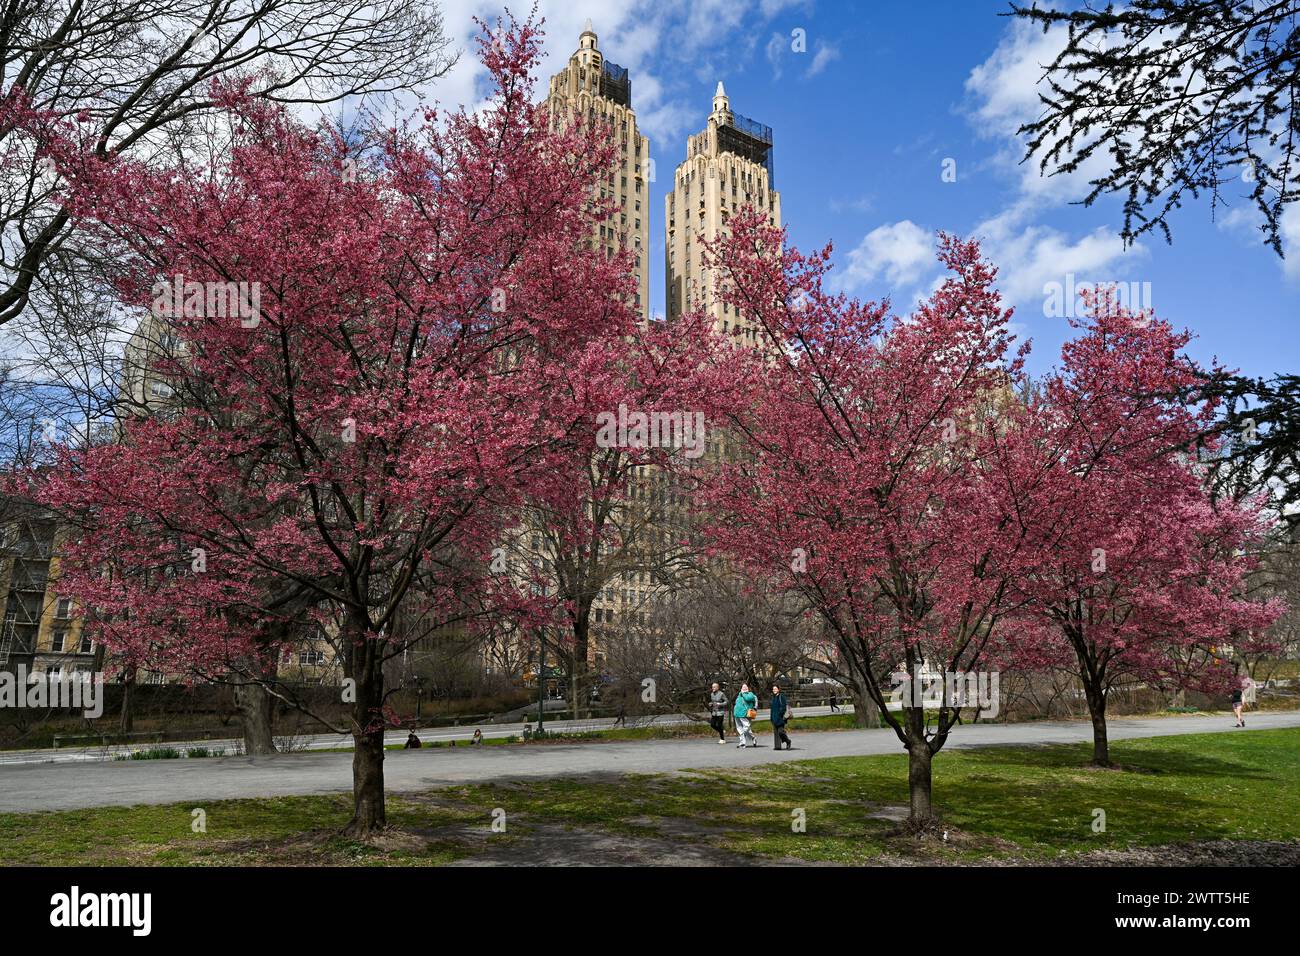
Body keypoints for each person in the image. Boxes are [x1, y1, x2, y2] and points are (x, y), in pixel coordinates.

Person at [733, 682, 758, 748]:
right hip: (737, 714)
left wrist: (743, 693)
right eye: (743, 687)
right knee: (739, 728)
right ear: (741, 688)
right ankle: (742, 743)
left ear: (748, 688)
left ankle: (752, 738)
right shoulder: (739, 695)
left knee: (746, 727)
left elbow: (748, 699)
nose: (744, 688)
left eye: (745, 687)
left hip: (745, 714)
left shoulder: (751, 694)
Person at [769, 684, 792, 750]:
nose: (774, 690)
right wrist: (771, 717)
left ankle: (788, 741)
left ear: (778, 689)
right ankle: (777, 746)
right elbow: (772, 709)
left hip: (780, 718)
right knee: (776, 733)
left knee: (781, 732)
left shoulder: (781, 697)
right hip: (774, 718)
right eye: (773, 689)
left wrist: (779, 714)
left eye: (775, 689)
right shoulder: (773, 698)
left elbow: (783, 707)